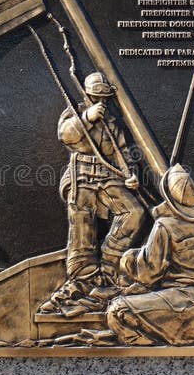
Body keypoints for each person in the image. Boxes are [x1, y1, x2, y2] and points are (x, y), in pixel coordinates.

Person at [40, 72, 144, 314]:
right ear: (87, 95)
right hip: (81, 177)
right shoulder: (75, 112)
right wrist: (87, 117)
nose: (102, 102)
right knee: (82, 226)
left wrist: (131, 174)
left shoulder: (111, 121)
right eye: (97, 97)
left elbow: (122, 151)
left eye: (104, 97)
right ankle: (81, 279)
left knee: (135, 213)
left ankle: (108, 269)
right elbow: (65, 134)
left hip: (109, 177)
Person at [106, 163, 194, 346]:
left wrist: (127, 259)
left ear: (169, 198)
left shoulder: (165, 226)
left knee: (117, 311)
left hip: (184, 306)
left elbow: (149, 273)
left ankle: (150, 349)